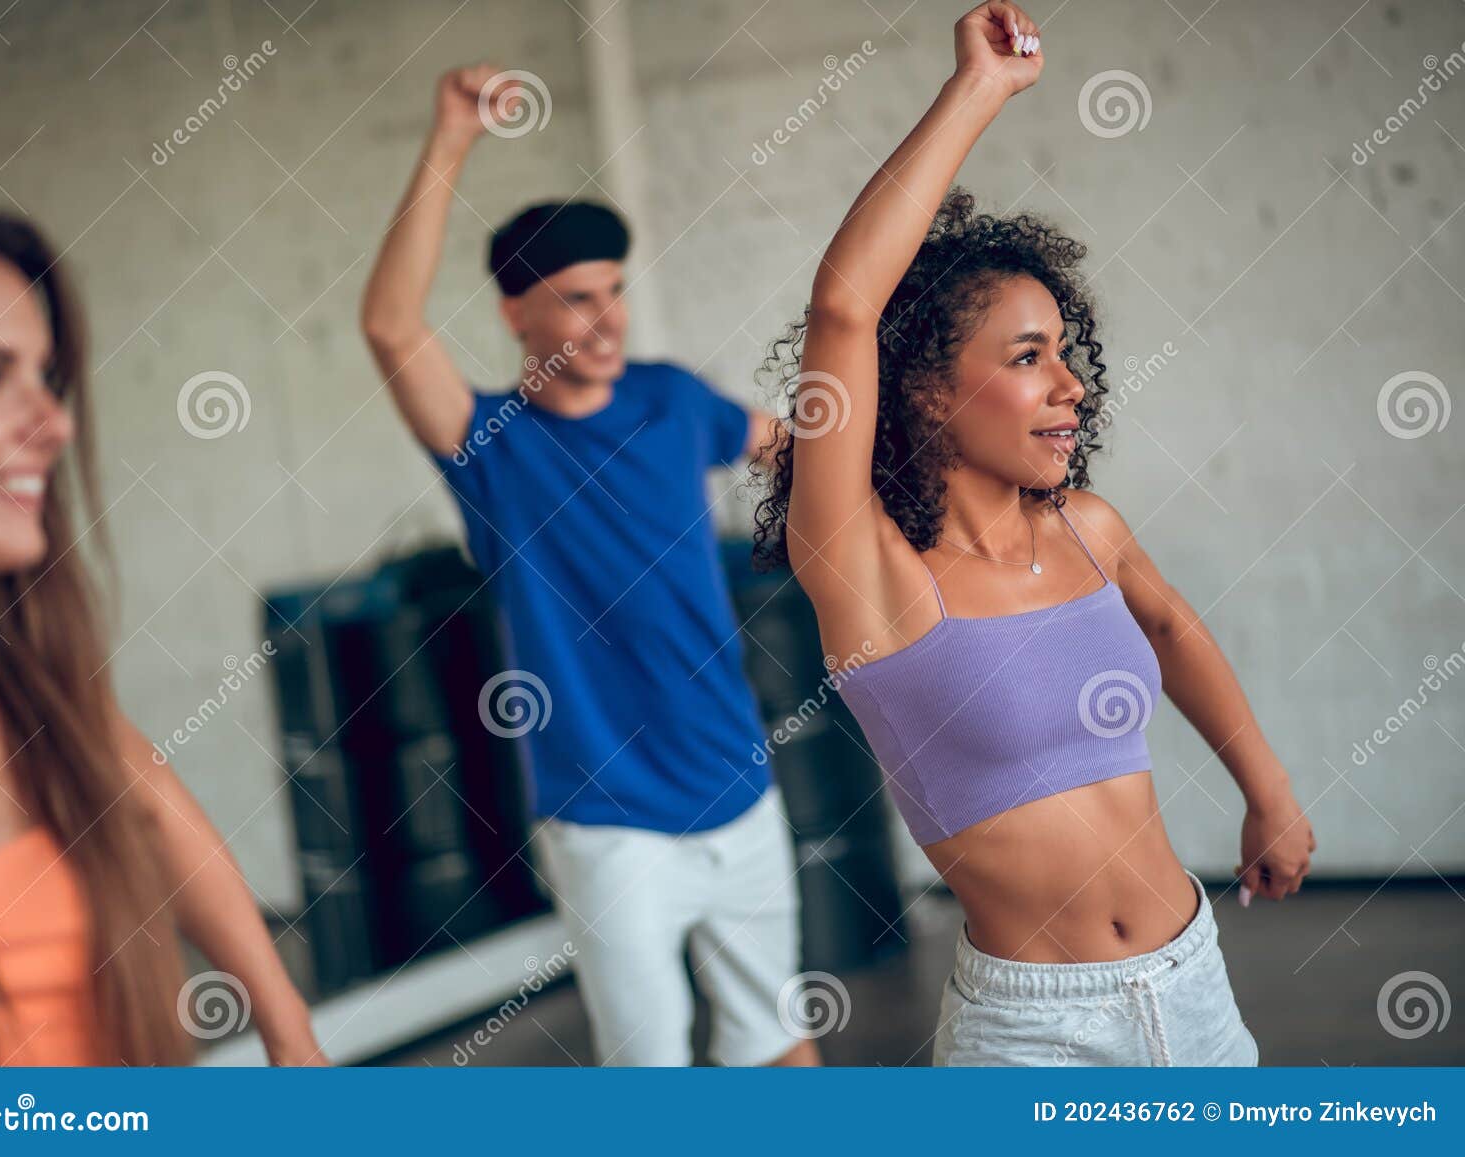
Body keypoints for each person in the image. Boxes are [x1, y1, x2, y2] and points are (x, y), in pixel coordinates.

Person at [752, 2, 1316, 1066]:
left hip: (1194, 983)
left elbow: (1168, 623)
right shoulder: (866, 573)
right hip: (1034, 1032)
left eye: (1066, 352)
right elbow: (843, 310)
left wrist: (1269, 791)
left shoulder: (1087, 529)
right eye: (1027, 357)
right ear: (921, 390)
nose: (1072, 384)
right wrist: (980, 88)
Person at [360, 64, 816, 1067]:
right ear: (515, 313)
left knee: (779, 1047)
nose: (608, 319)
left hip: (738, 787)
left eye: (614, 293)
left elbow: (804, 446)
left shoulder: (672, 400)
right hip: (608, 824)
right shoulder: (493, 444)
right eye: (575, 300)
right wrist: (450, 135)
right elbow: (391, 324)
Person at [0, 203, 324, 1067]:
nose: (56, 423)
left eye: (47, 375)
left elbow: (151, 804)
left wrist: (289, 1026)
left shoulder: (41, 703)